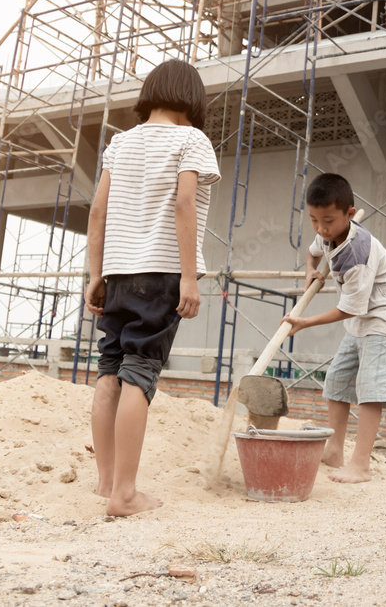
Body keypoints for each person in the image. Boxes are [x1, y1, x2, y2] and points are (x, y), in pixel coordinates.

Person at [84, 59, 220, 516]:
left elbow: (98, 213)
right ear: (193, 100)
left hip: (118, 272)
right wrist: (187, 276)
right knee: (140, 374)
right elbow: (185, 202)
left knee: (109, 371)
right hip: (160, 274)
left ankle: (107, 484)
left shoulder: (120, 144)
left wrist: (95, 275)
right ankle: (126, 494)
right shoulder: (191, 139)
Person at [282, 173, 386, 483]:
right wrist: (311, 273)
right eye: (314, 220)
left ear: (350, 214)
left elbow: (347, 308)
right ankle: (334, 450)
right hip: (361, 318)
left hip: (385, 317)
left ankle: (361, 464)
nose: (320, 228)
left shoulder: (358, 254)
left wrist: (304, 323)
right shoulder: (327, 233)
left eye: (327, 220)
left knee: (370, 390)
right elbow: (313, 251)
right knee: (338, 379)